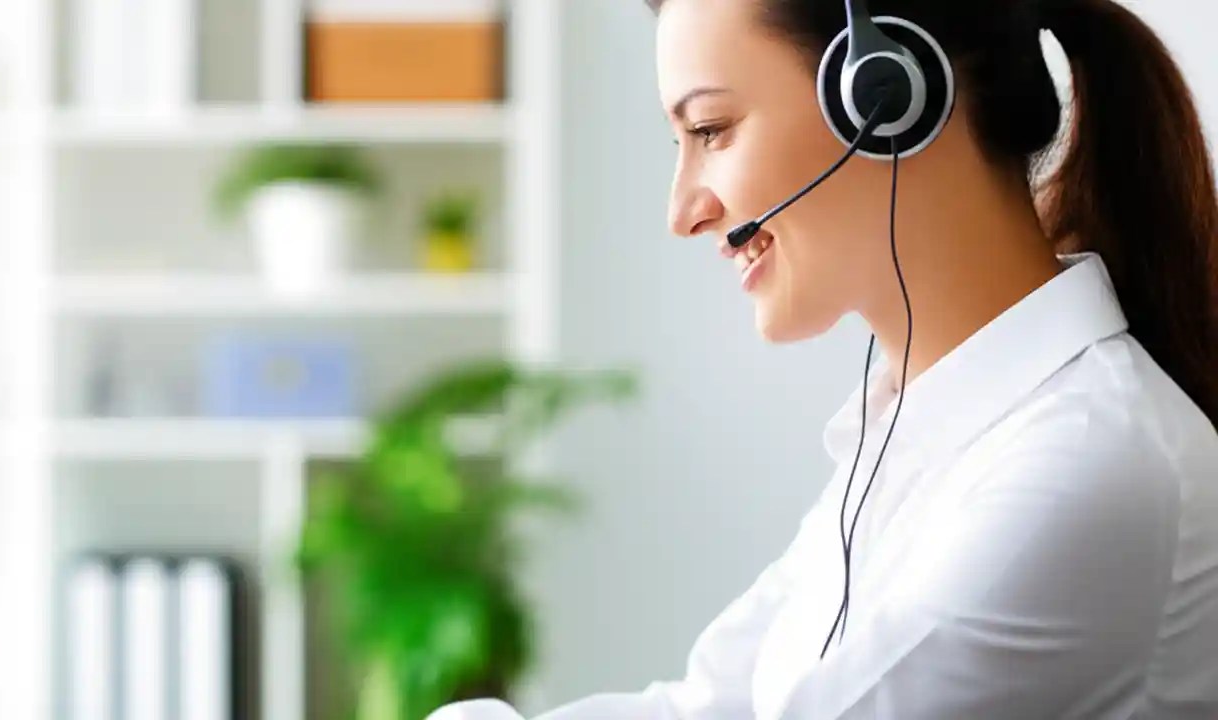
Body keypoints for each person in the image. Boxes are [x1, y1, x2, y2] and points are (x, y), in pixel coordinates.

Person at [430, 0, 1218, 717]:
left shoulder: (1085, 466)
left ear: (885, 98)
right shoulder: (920, 429)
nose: (684, 211)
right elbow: (706, 707)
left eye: (711, 131)